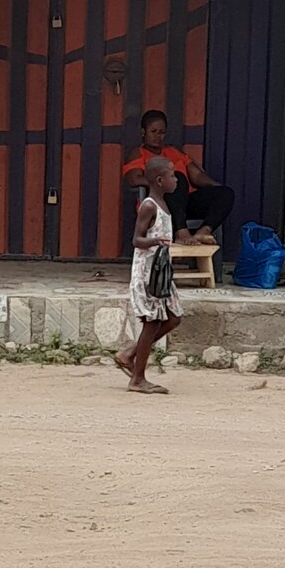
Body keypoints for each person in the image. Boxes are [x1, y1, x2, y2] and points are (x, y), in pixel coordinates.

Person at [115, 156, 183, 395]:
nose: (176, 180)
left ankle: (130, 353)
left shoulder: (164, 204)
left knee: (173, 318)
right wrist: (156, 241)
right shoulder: (149, 206)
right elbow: (137, 240)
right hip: (148, 274)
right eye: (172, 176)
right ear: (160, 180)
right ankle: (138, 379)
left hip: (161, 272)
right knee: (151, 323)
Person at [123, 109, 234, 247]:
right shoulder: (138, 153)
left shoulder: (174, 152)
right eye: (153, 131)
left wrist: (216, 186)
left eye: (162, 132)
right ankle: (181, 232)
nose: (158, 136)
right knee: (175, 177)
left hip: (185, 202)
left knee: (226, 193)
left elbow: (197, 176)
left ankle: (204, 231)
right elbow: (134, 179)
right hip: (161, 204)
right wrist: (160, 182)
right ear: (143, 132)